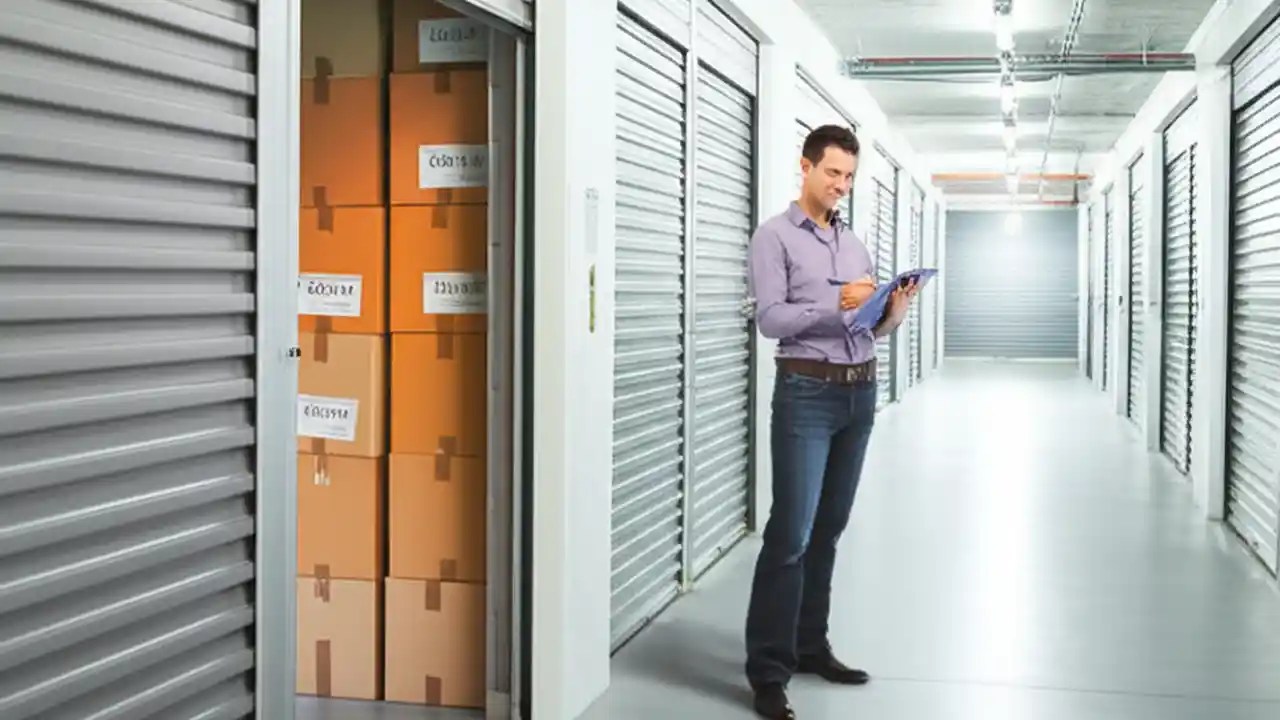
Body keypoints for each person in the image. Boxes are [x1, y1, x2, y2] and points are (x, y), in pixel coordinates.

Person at [743, 124, 918, 720]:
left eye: (848, 176)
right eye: (832, 173)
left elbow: (865, 327)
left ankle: (809, 645)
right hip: (805, 395)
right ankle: (768, 671)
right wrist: (836, 305)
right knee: (789, 535)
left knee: (828, 530)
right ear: (806, 167)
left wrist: (891, 312)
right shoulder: (773, 238)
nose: (841, 185)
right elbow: (770, 319)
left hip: (857, 395)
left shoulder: (855, 244)